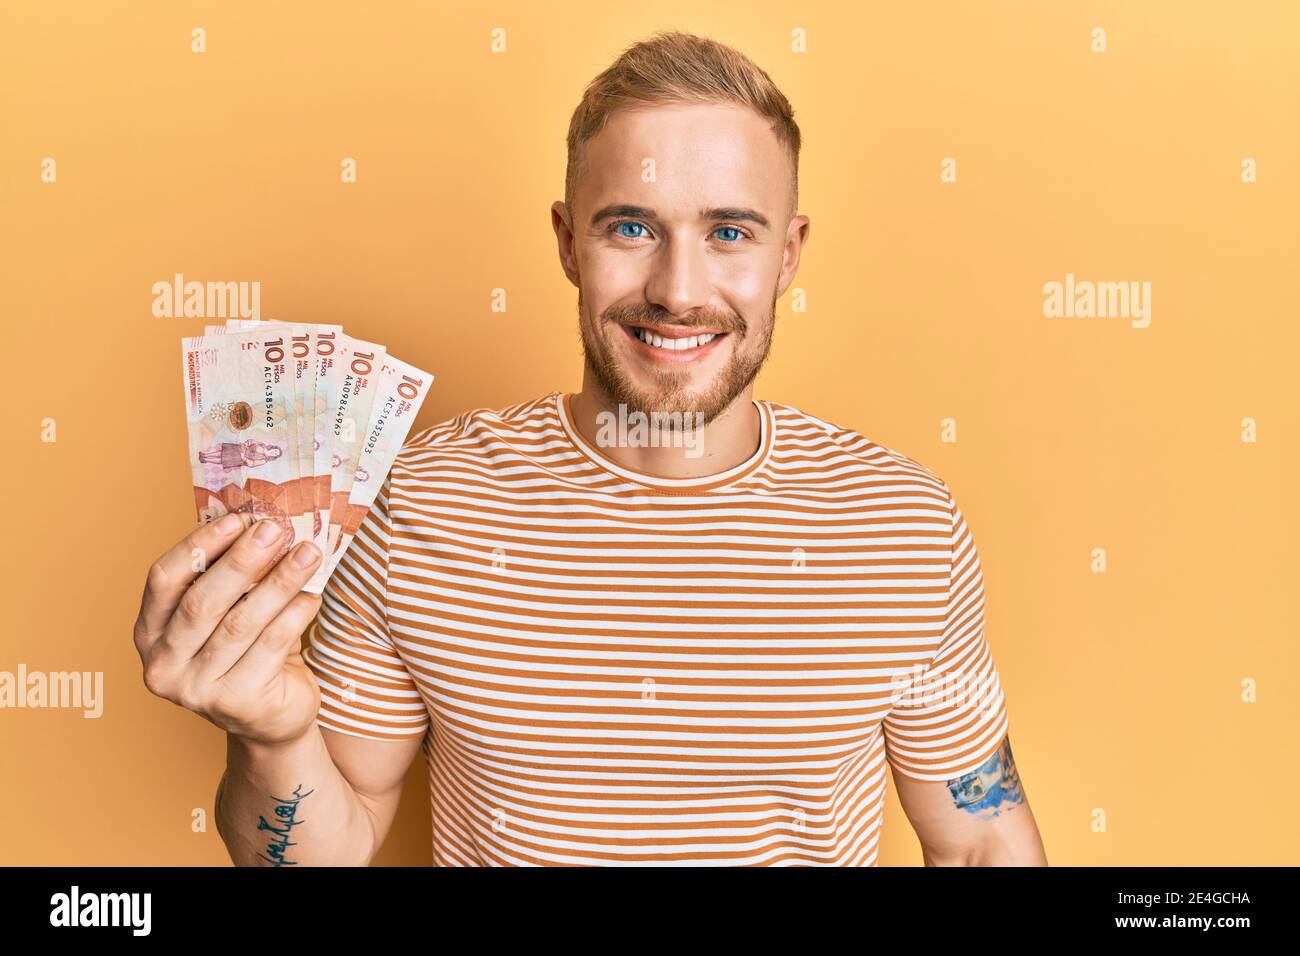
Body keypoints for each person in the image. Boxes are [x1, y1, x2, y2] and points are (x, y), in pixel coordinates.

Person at [134, 30, 1047, 867]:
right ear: (569, 242)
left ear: (789, 256)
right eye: (631, 228)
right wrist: (275, 735)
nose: (678, 289)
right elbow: (317, 856)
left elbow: (978, 835)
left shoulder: (904, 526)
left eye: (730, 232)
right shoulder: (421, 506)